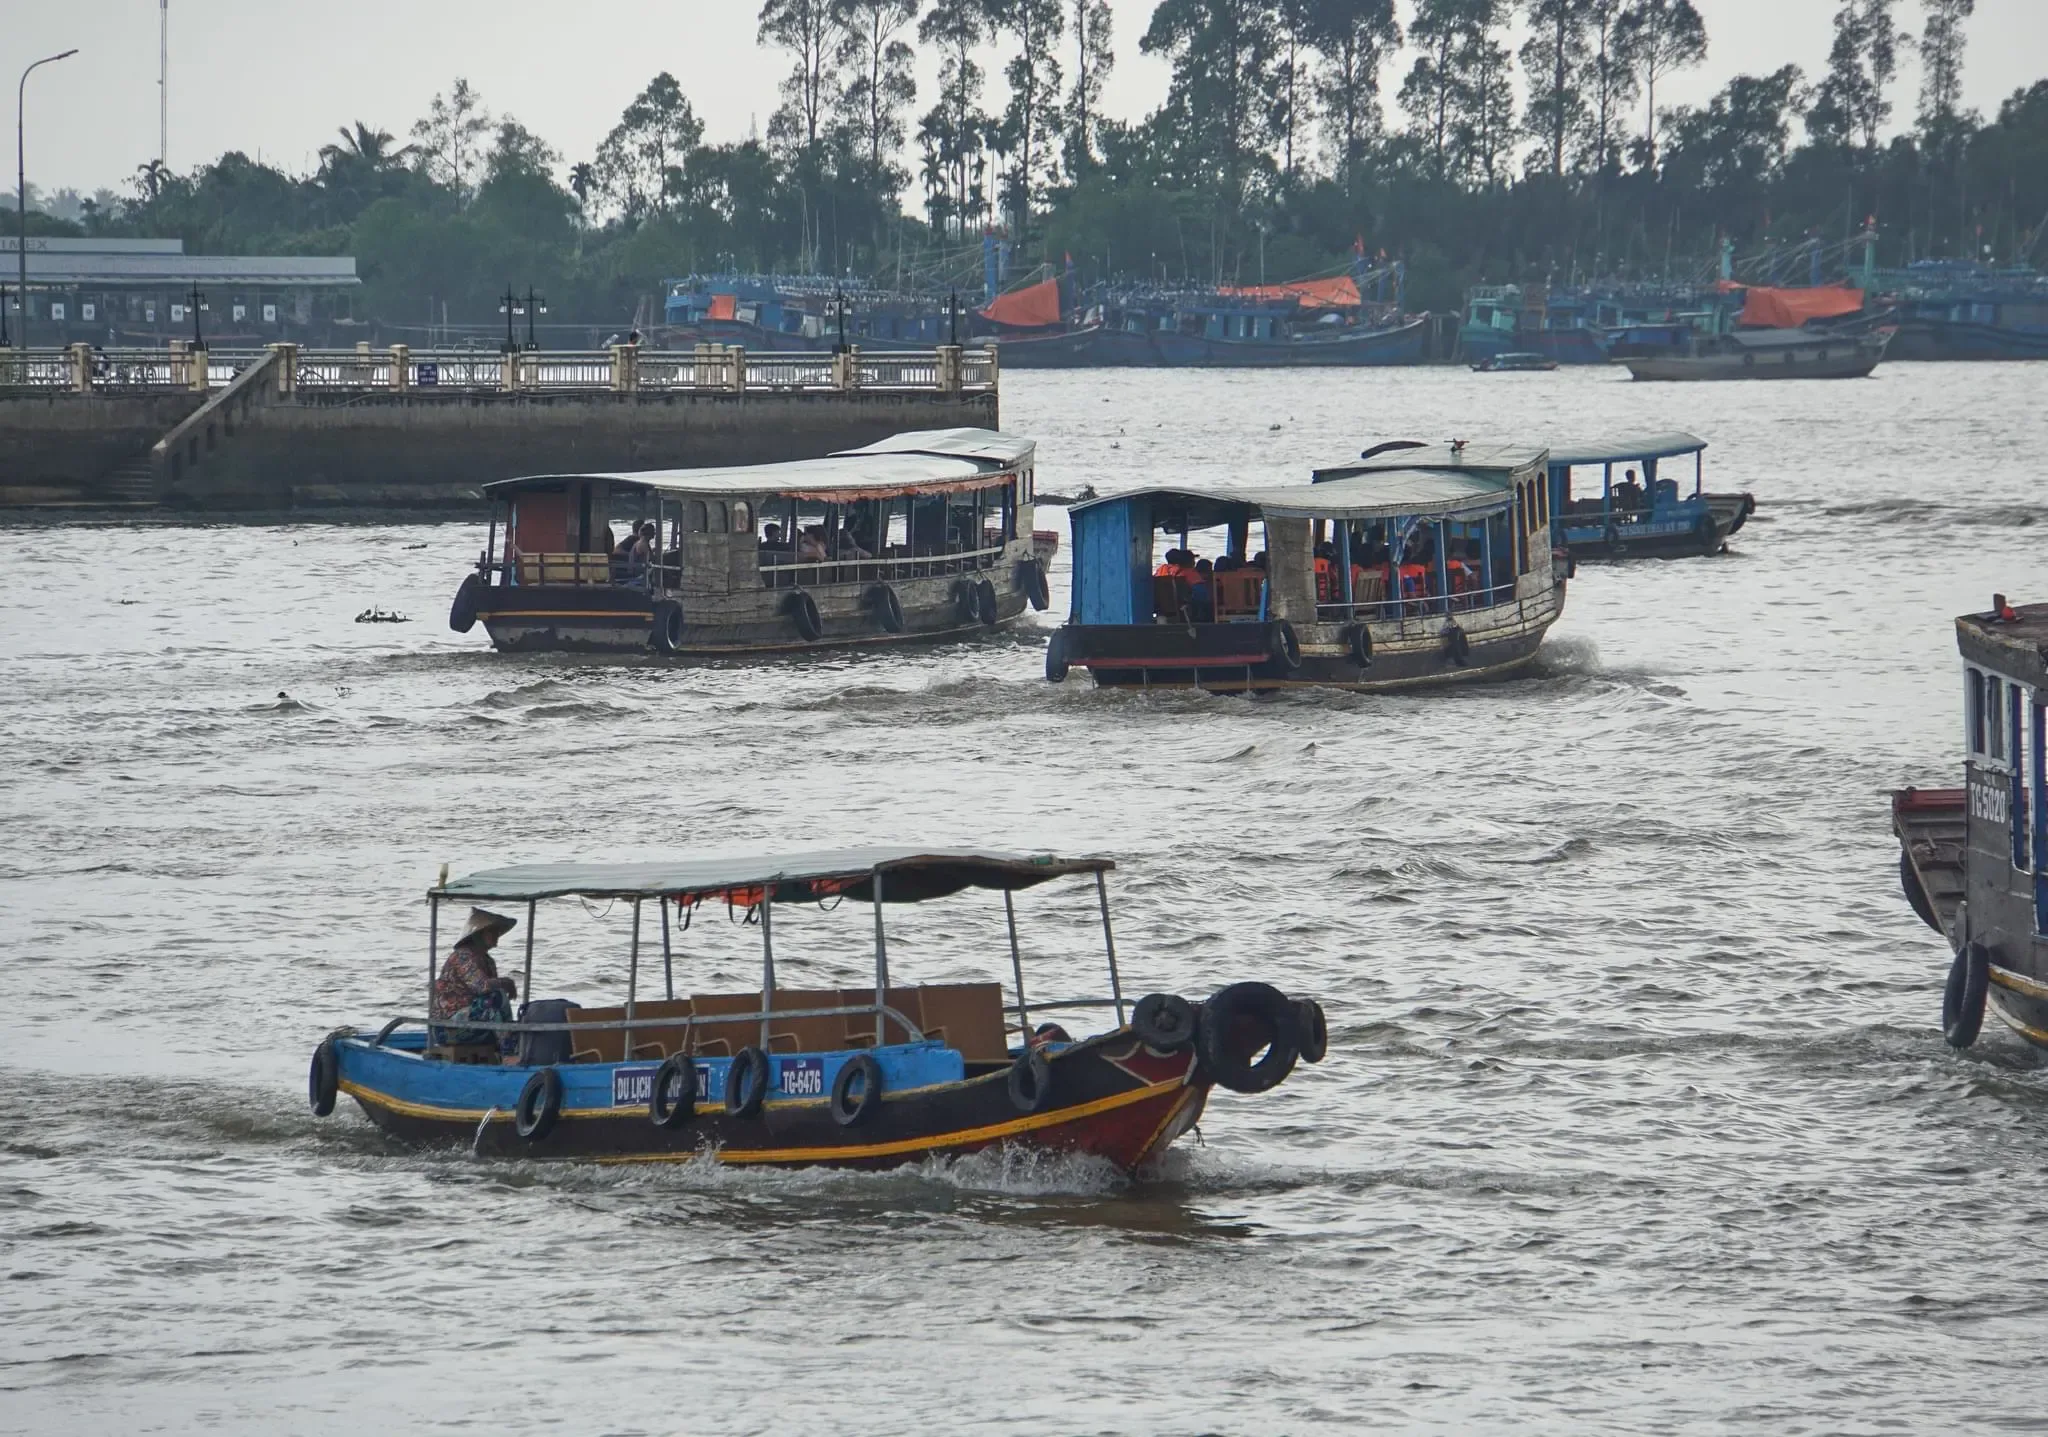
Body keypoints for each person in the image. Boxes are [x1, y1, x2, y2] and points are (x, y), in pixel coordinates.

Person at [431, 908, 520, 1051]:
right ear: (478, 934)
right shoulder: (462, 956)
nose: (496, 935)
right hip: (448, 1026)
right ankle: (508, 1052)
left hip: (474, 1021)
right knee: (492, 1001)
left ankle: (511, 1045)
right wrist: (506, 983)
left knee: (498, 998)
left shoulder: (488, 961)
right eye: (491, 932)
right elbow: (481, 986)